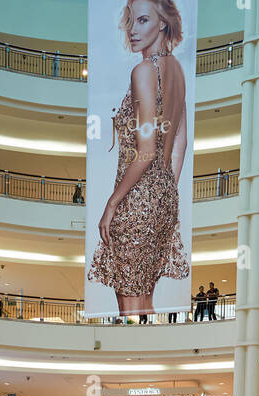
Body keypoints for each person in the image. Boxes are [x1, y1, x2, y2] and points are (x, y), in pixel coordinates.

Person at [88, 1, 189, 317]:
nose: (132, 30)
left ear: (163, 23)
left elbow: (146, 150)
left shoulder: (144, 72)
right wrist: (163, 193)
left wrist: (112, 204)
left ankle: (131, 350)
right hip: (163, 199)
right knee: (143, 301)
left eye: (143, 20)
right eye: (130, 20)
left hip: (136, 200)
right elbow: (179, 145)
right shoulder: (176, 70)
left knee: (130, 306)